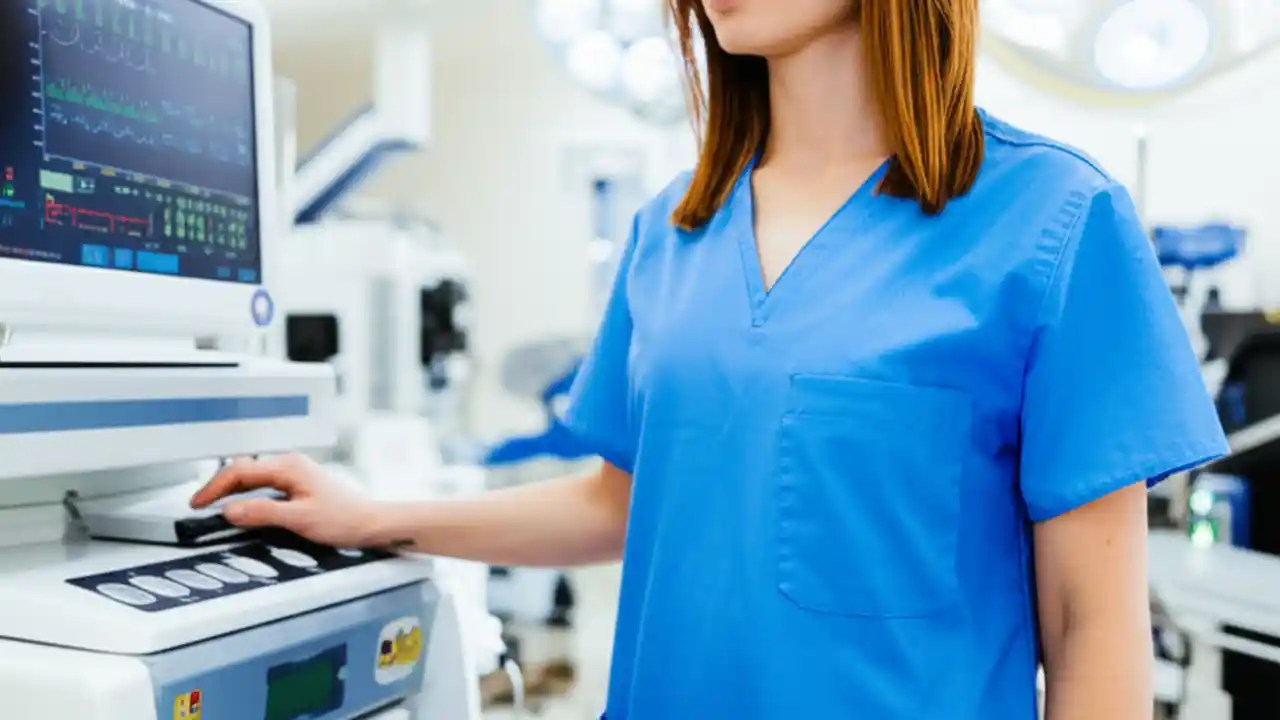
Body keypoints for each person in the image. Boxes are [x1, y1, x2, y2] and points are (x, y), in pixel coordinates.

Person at [192, 1, 1229, 717]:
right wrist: (371, 515)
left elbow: (1088, 620)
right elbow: (620, 505)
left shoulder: (1051, 221)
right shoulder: (670, 232)